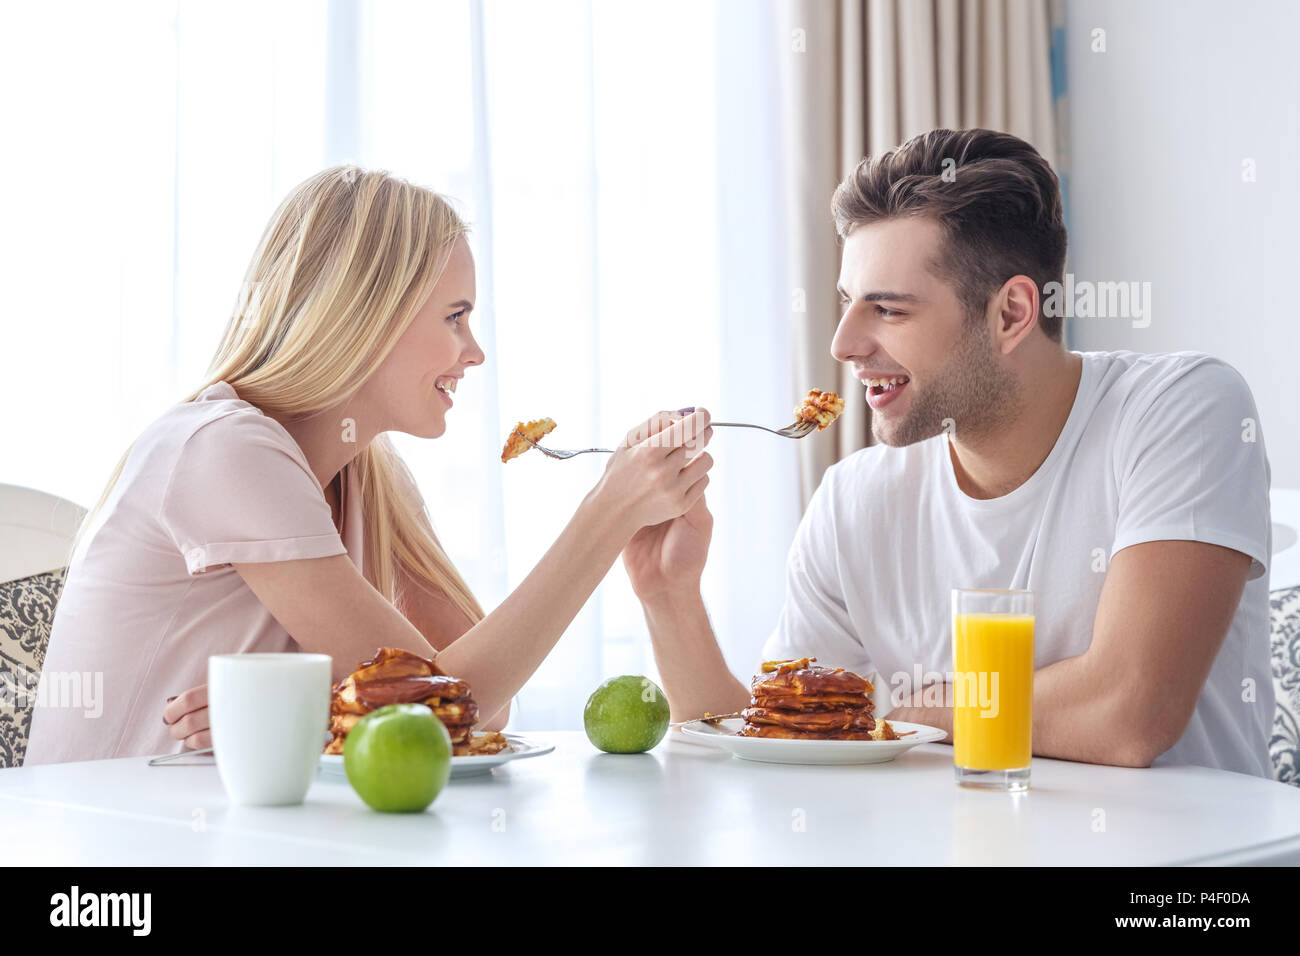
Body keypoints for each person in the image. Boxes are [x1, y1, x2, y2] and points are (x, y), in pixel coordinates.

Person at [626, 128, 1274, 777]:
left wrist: (909, 714)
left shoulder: (1182, 409)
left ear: (1012, 313)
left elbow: (1129, 714)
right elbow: (783, 750)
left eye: (888, 310)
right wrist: (668, 596)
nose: (843, 345)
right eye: (850, 304)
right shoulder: (855, 499)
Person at [25, 166, 712, 763]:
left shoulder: (371, 477)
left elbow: (478, 707)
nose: (474, 353)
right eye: (454, 317)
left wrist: (315, 711)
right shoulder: (225, 450)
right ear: (368, 315)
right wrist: (606, 515)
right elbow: (449, 706)